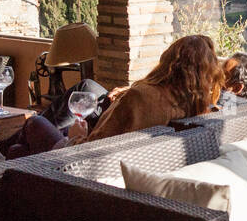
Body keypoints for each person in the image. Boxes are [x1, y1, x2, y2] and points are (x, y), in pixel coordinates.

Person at [83, 34, 224, 143]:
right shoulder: (202, 108)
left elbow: (96, 146)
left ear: (169, 61)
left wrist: (77, 136)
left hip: (81, 157)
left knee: (85, 87)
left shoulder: (140, 96)